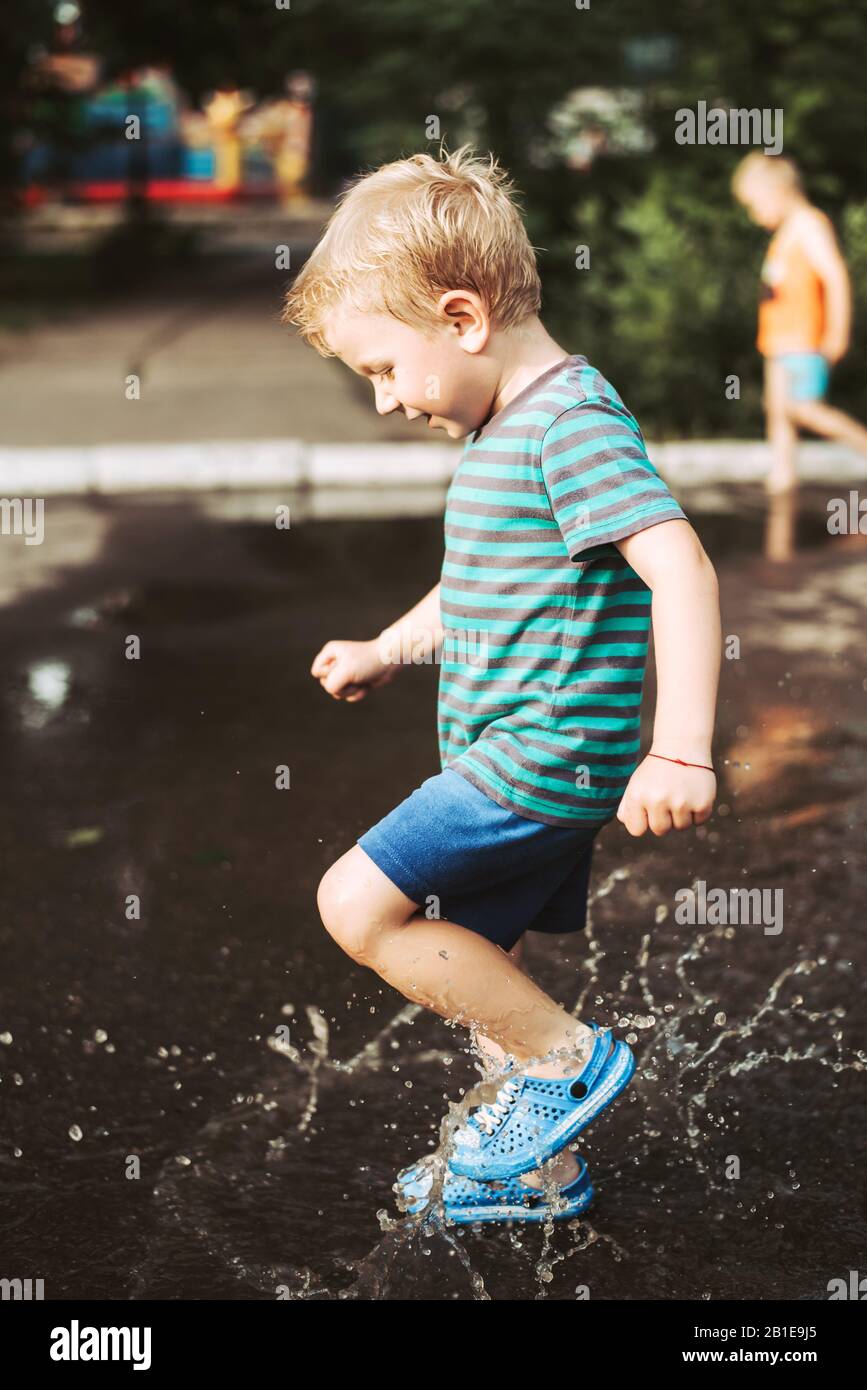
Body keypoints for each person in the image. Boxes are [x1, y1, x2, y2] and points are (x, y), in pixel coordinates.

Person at [282, 145, 720, 1225]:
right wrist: (387, 649)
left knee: (354, 902)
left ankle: (566, 1062)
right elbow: (476, 584)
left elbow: (680, 567)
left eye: (385, 369)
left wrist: (680, 749)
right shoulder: (502, 430)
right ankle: (537, 1169)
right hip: (508, 753)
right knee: (480, 955)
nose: (385, 400)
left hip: (541, 756)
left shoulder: (568, 425)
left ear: (463, 318)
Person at [732, 152, 867, 494]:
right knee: (778, 414)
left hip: (804, 341)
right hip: (778, 343)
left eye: (755, 205)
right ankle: (783, 478)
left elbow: (835, 277)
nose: (753, 215)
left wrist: (837, 331)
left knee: (805, 410)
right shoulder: (786, 233)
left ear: (778, 191)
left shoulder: (810, 225)